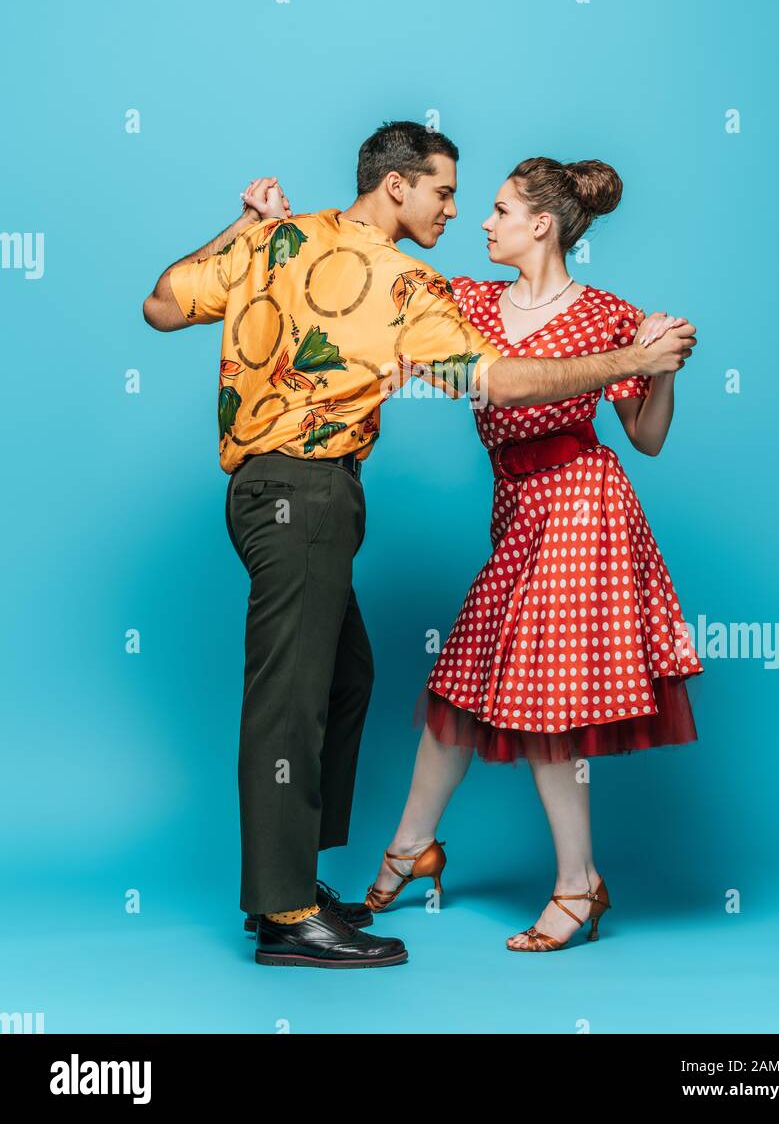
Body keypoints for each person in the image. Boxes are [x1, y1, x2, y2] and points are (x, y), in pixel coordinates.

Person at [141, 122, 695, 969]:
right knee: (294, 695)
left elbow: (163, 305)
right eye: (446, 192)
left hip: (323, 492)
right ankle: (285, 912)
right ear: (396, 186)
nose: (461, 212)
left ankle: (330, 871)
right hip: (306, 489)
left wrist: (247, 229)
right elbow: (498, 378)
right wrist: (630, 353)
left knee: (345, 676)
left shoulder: (288, 239)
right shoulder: (417, 285)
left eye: (487, 204)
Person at [361, 155, 703, 953]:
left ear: (540, 224)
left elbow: (647, 440)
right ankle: (413, 849)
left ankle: (578, 886)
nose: (481, 221)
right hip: (515, 508)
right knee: (462, 682)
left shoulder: (610, 316)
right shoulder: (469, 301)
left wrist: (663, 367)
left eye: (499, 209)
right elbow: (394, 318)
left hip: (582, 502)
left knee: (548, 700)